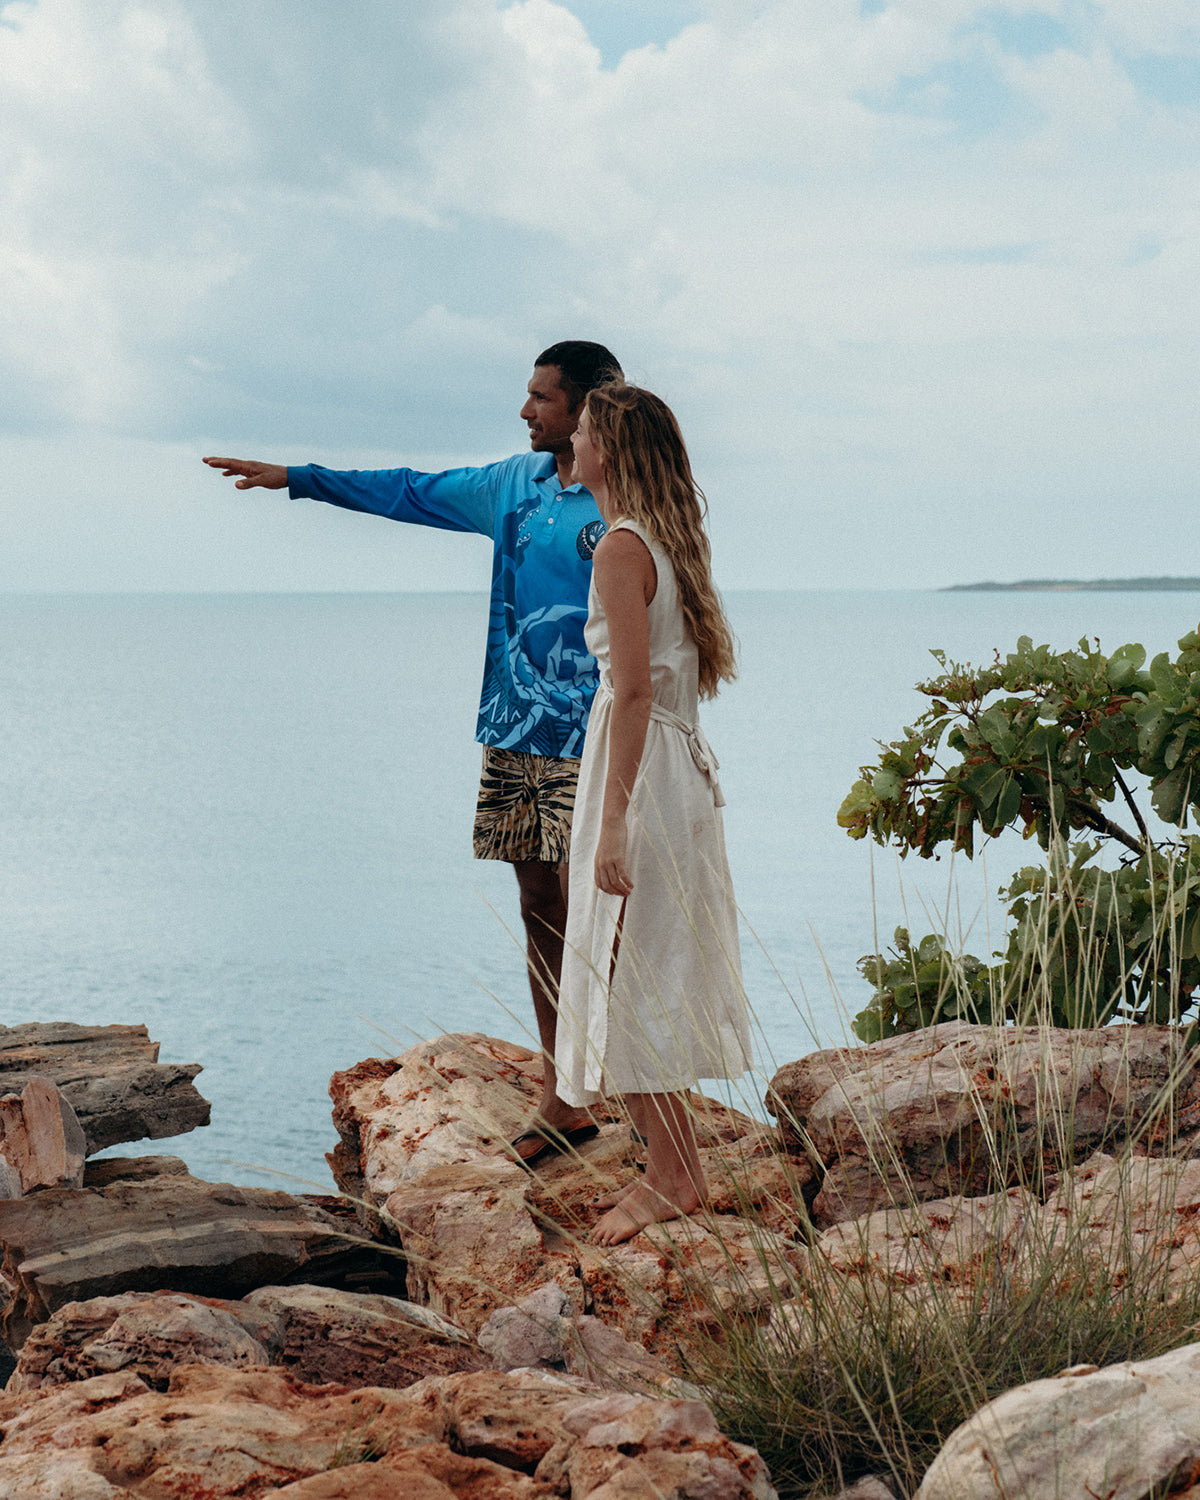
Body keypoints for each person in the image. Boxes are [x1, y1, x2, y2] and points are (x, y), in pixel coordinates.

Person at [202, 341, 622, 1166]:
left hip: (602, 736)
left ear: (587, 408)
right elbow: (407, 491)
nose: (526, 410)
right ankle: (560, 1093)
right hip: (515, 730)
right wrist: (298, 477)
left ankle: (618, 1084)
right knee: (542, 908)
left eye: (542, 398)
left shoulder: (629, 501)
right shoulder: (514, 486)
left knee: (602, 918)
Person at [554, 382, 752, 1247]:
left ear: (610, 451)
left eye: (585, 431)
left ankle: (672, 1178)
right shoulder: (661, 540)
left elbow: (631, 690)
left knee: (626, 965)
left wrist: (610, 823)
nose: (572, 441)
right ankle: (677, 1169)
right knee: (647, 965)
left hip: (644, 771)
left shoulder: (620, 549)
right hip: (674, 765)